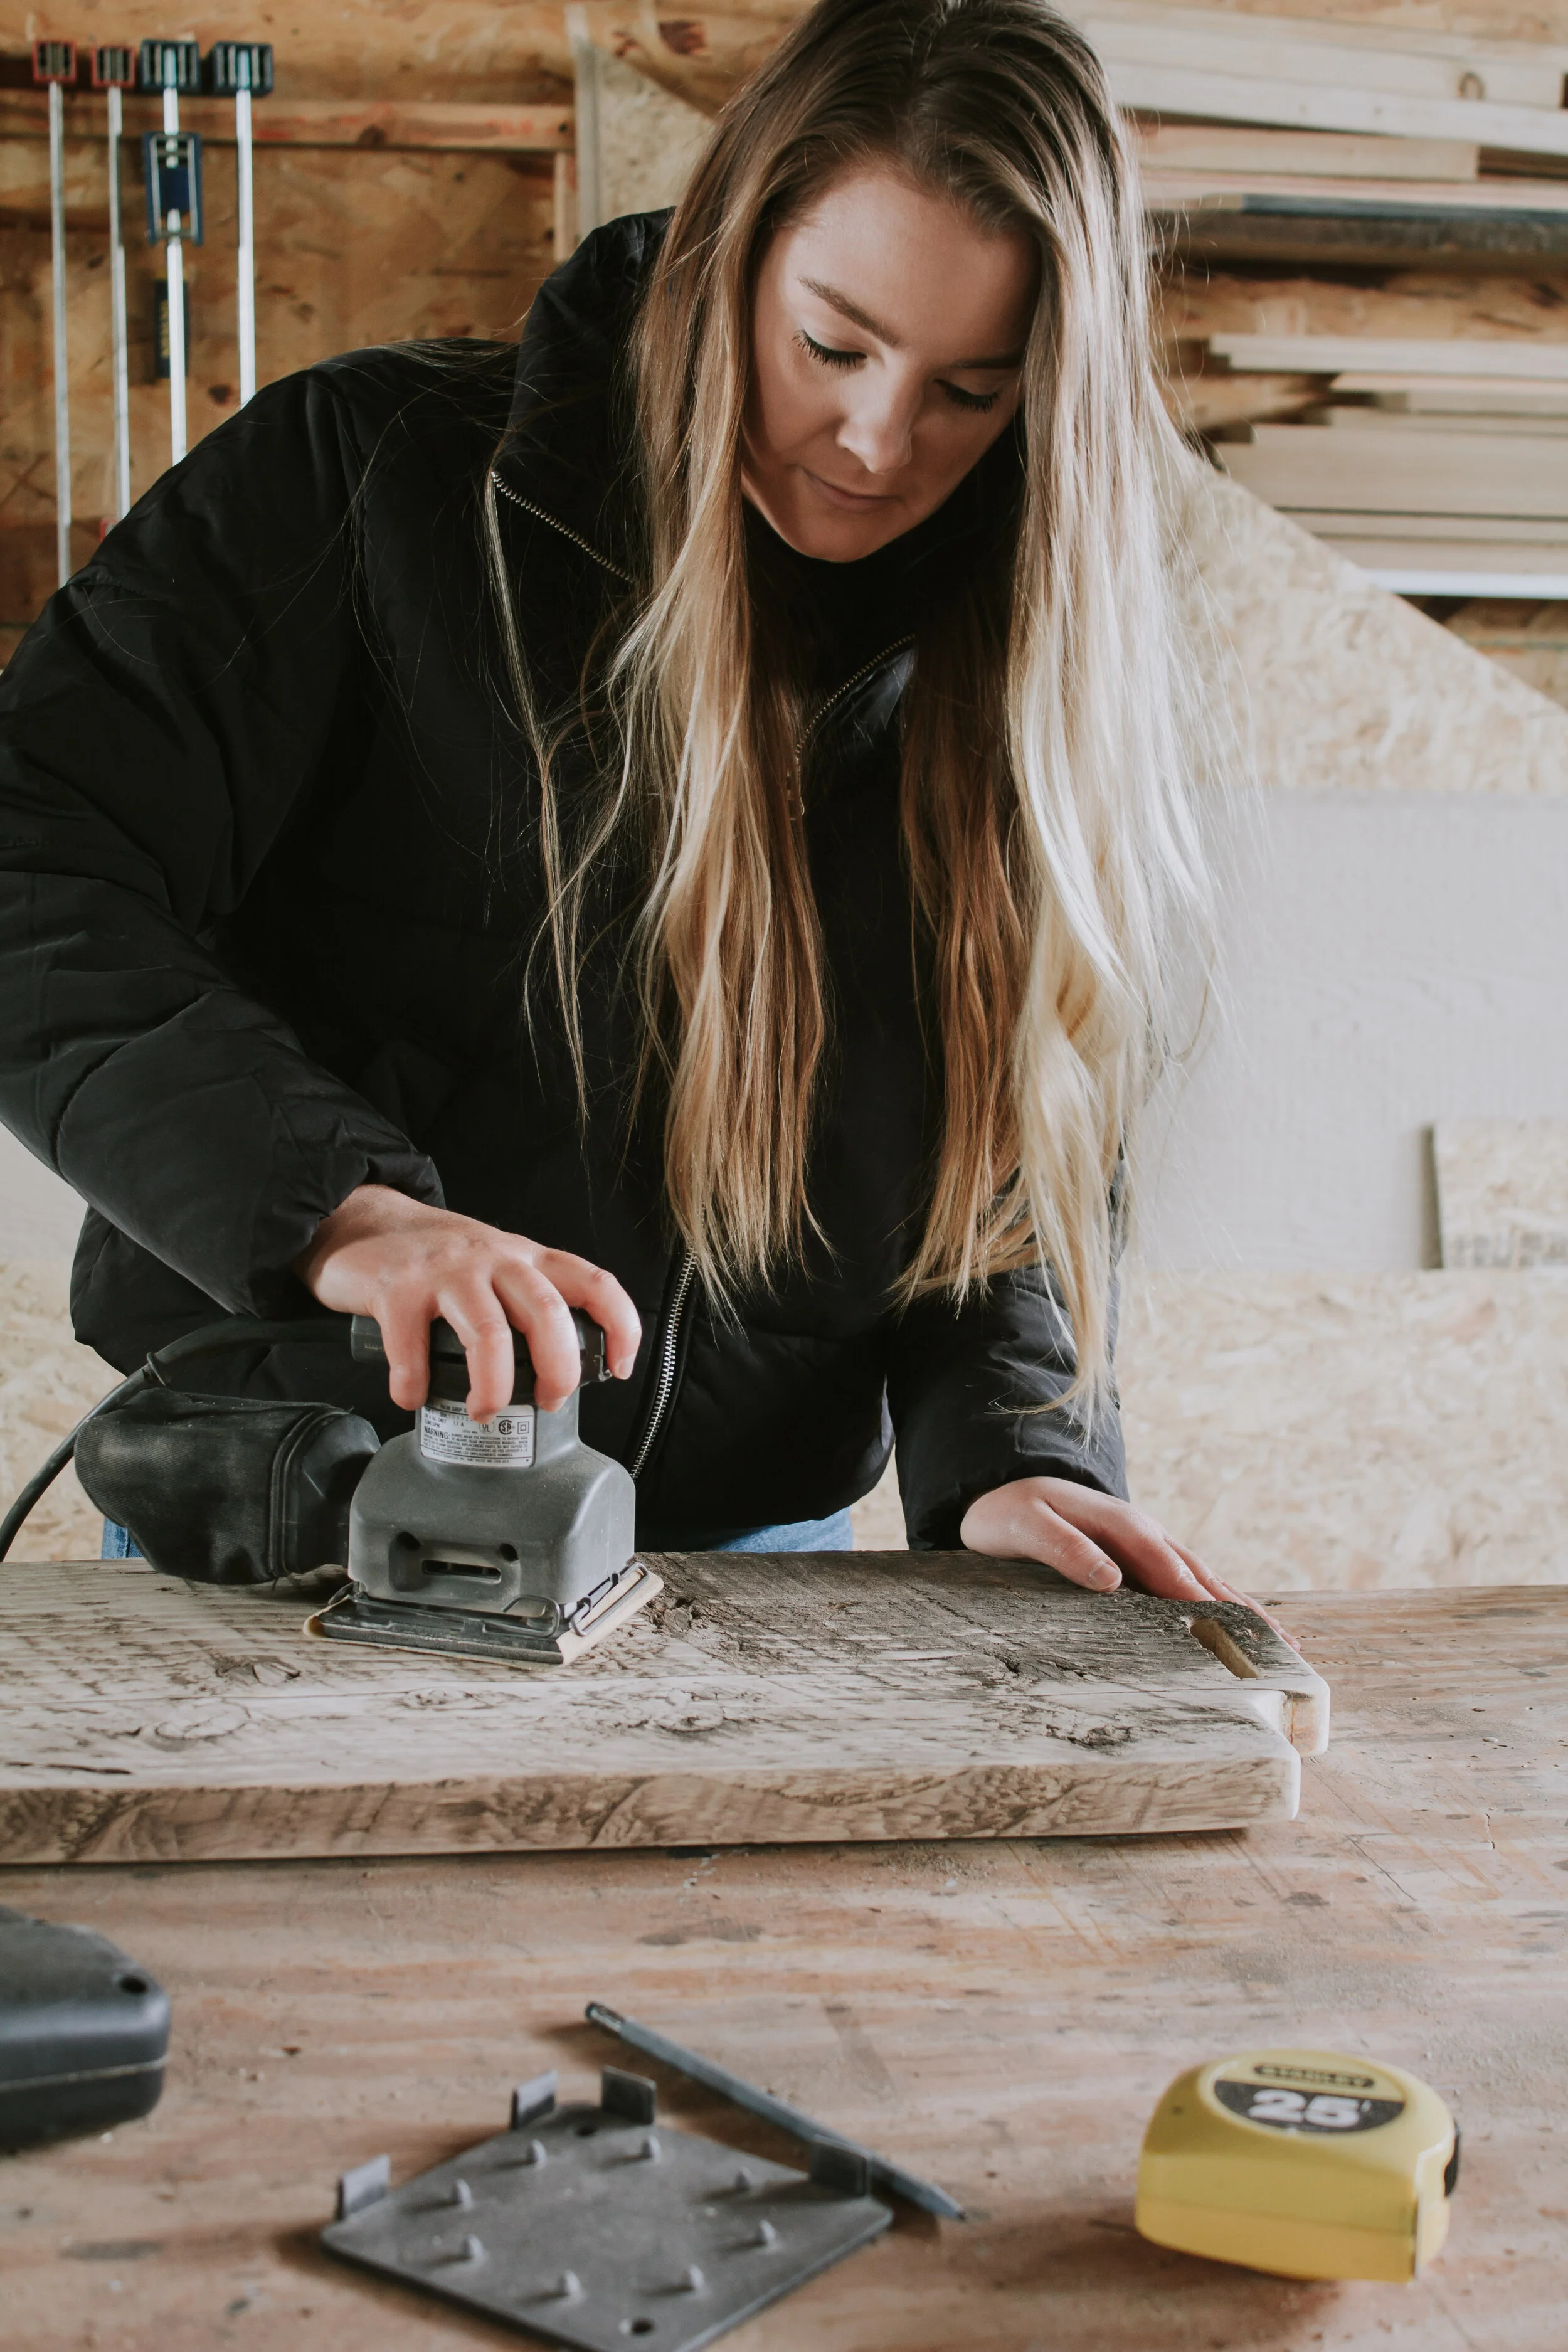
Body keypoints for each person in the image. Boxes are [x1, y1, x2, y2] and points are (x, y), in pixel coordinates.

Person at [0, 0, 1253, 1610]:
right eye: (832, 345)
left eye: (972, 389)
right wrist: (340, 1211)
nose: (878, 443)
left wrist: (1013, 1450)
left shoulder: (1020, 654)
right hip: (323, 1522)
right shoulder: (361, 481)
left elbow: (995, 1160)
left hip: (753, 1570)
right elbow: (32, 862)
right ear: (729, 246)